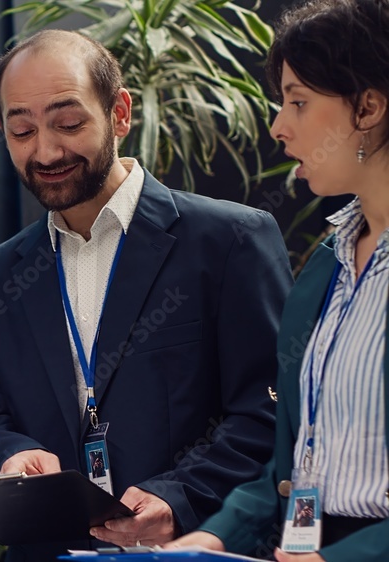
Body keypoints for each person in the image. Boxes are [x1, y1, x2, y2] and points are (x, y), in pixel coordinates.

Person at [0, 29, 293, 560]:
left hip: (189, 547)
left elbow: (269, 413)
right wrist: (12, 455)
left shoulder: (230, 242)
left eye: (68, 123)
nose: (46, 150)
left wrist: (180, 497)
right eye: (21, 130)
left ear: (120, 112)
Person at [168, 1, 389, 560]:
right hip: (301, 546)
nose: (278, 127)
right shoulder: (326, 261)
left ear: (368, 107)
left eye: (298, 102)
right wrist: (211, 539)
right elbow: (293, 464)